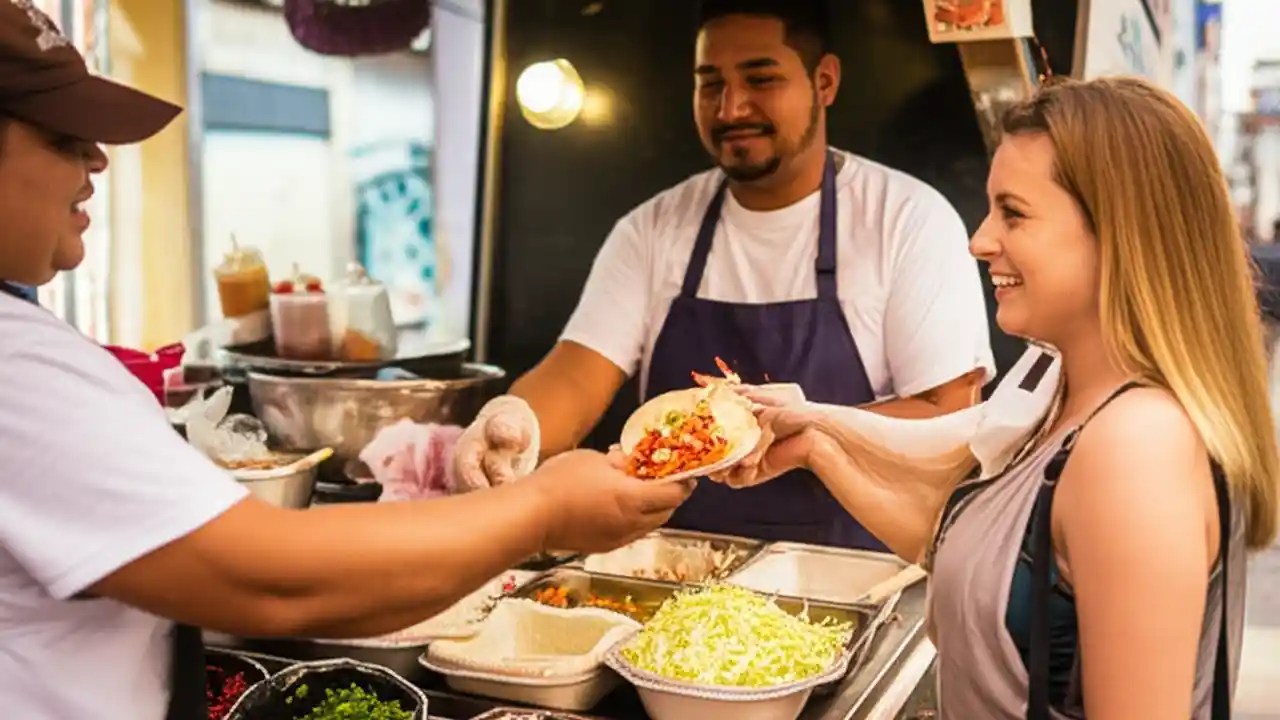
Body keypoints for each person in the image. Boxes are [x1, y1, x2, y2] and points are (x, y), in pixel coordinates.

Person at [0, 5, 692, 718]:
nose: (95, 159)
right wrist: (541, 509)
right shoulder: (15, 365)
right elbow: (270, 578)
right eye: (61, 134)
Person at [719, 76, 1277, 718]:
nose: (980, 240)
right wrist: (817, 439)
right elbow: (968, 546)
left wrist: (821, 430)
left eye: (1013, 213)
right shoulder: (1061, 394)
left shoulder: (1136, 448)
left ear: (1119, 231)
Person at [455, 0, 994, 550]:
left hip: (849, 568)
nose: (732, 107)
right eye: (710, 84)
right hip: (676, 569)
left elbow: (946, 414)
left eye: (761, 79)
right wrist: (515, 426)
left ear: (824, 81)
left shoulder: (905, 219)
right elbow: (575, 375)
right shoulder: (655, 229)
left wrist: (811, 425)